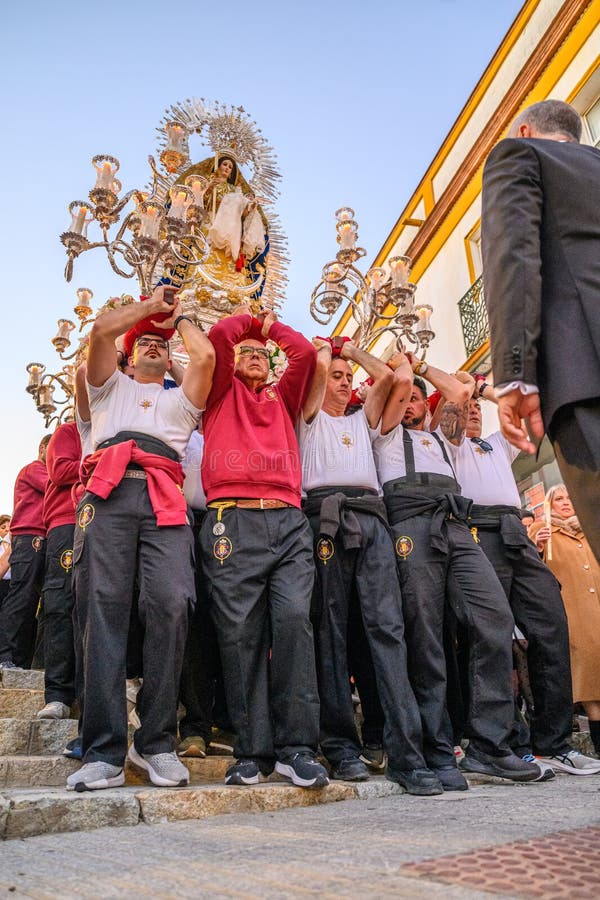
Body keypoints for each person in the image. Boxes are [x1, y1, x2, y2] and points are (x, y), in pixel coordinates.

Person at [66, 286, 215, 792]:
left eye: (161, 341)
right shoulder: (107, 387)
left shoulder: (181, 401)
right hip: (108, 494)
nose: (153, 343)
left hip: (163, 499)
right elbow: (101, 330)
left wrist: (179, 319)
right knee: (102, 612)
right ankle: (103, 750)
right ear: (128, 355)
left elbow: (208, 355)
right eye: (143, 341)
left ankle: (154, 742)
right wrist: (151, 308)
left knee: (173, 604)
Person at [373, 357, 541, 782]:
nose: (409, 403)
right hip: (411, 525)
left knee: (496, 619)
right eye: (403, 399)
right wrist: (404, 370)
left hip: (455, 527)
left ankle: (488, 744)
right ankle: (435, 748)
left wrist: (423, 364)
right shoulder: (383, 435)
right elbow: (399, 380)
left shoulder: (441, 439)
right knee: (425, 636)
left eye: (415, 400)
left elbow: (461, 393)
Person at [299, 338, 444, 794]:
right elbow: (316, 376)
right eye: (336, 377)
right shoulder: (305, 418)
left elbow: (395, 377)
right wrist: (326, 353)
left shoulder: (365, 423)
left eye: (348, 379)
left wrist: (349, 350)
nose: (343, 384)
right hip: (323, 519)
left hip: (372, 520)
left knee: (388, 630)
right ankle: (341, 745)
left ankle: (407, 753)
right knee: (331, 634)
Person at [200, 305, 329, 790]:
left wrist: (269, 327)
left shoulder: (283, 396)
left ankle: (297, 749)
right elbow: (217, 338)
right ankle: (251, 751)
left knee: (295, 621)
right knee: (240, 635)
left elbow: (304, 356)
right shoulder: (218, 391)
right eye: (246, 353)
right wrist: (246, 322)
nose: (254, 356)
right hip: (232, 519)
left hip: (288, 519)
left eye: (262, 354)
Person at [450, 388, 599, 775]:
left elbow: (521, 419)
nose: (474, 414)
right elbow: (455, 399)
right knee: (492, 634)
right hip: (476, 530)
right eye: (465, 409)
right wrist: (464, 394)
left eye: (476, 409)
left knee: (550, 622)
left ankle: (554, 742)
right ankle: (498, 742)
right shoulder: (445, 443)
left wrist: (486, 392)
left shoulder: (497, 443)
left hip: (514, 528)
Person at [481, 99, 600, 563]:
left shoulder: (518, 155)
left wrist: (515, 374)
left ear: (525, 131)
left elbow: (512, 256)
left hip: (583, 373)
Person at [529, 485, 600, 765]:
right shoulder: (542, 530)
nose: (566, 502)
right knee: (588, 685)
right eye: (559, 498)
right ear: (550, 504)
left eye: (570, 497)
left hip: (597, 612)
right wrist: (538, 546)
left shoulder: (590, 530)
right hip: (571, 617)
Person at [36, 420, 82, 720]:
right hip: (66, 522)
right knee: (61, 604)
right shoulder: (68, 432)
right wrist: (103, 461)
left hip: (107, 522)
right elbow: (61, 470)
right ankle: (58, 694)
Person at [0, 436, 50, 669]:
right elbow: (54, 484)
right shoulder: (34, 469)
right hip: (30, 536)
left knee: (33, 601)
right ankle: (5, 655)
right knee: (22, 596)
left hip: (41, 537)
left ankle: (20, 659)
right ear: (42, 448)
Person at [0, 516, 11, 606]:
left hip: (14, 585)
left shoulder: (19, 547)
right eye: (3, 527)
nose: (7, 529)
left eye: (10, 526)